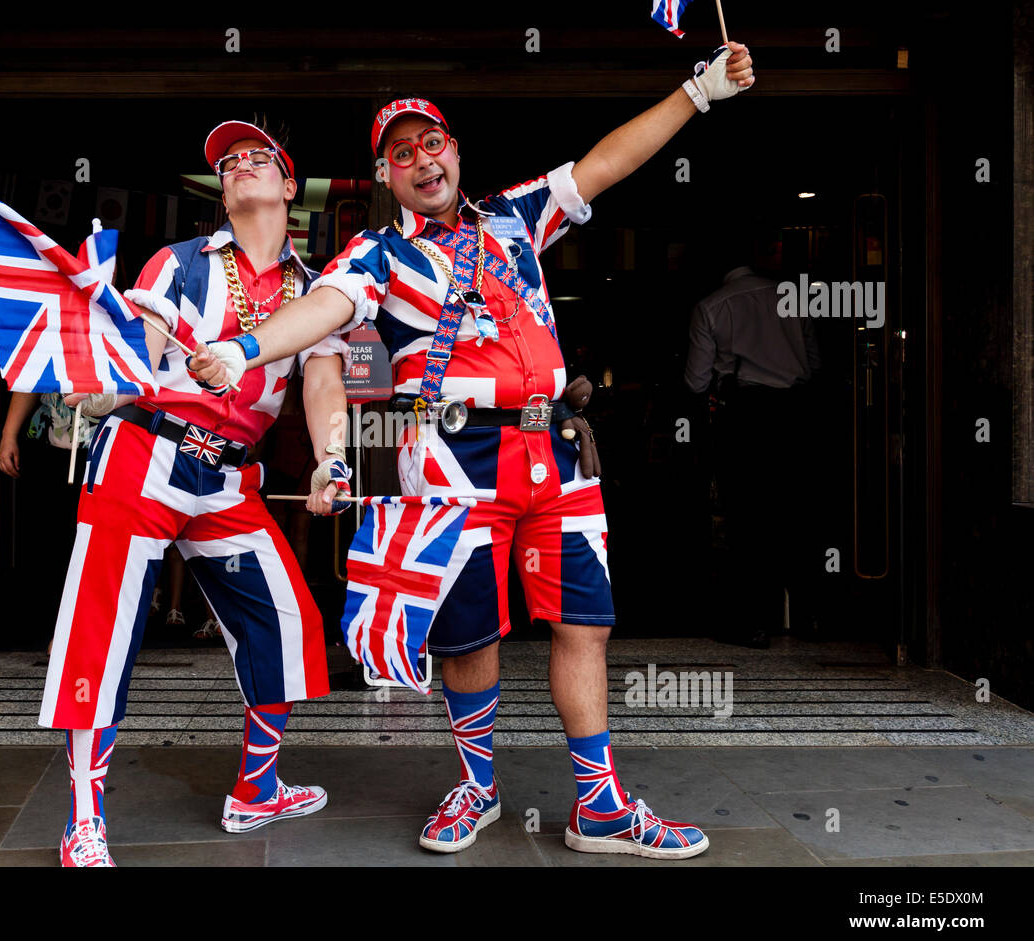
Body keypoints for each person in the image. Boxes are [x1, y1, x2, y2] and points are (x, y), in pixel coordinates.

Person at [188, 43, 756, 858]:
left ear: (455, 151)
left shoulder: (517, 215)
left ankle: (600, 807)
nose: (423, 159)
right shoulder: (377, 255)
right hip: (455, 460)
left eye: (433, 143)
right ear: (386, 176)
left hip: (555, 450)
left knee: (584, 627)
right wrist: (245, 351)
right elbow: (321, 310)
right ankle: (478, 787)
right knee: (467, 635)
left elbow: (605, 163)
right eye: (402, 152)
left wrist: (697, 92)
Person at [39, 119, 353, 866]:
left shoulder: (316, 292)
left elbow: (322, 382)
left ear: (286, 187)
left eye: (259, 157)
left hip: (228, 475)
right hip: (144, 453)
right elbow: (139, 354)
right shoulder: (178, 262)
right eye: (229, 162)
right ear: (223, 191)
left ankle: (256, 790)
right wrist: (98, 391)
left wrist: (332, 460)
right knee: (103, 629)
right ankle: (84, 819)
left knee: (285, 621)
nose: (241, 165)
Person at [684, 240, 822, 649]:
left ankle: (752, 622)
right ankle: (809, 613)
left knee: (747, 516)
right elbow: (815, 363)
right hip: (795, 413)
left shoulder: (711, 306)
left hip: (746, 414)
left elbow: (694, 380)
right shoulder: (792, 298)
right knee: (797, 512)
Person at [0, 392, 100, 655]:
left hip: (108, 444)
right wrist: (9, 434)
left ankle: (93, 629)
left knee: (98, 543)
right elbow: (30, 382)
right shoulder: (48, 349)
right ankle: (61, 629)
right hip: (53, 443)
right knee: (55, 540)